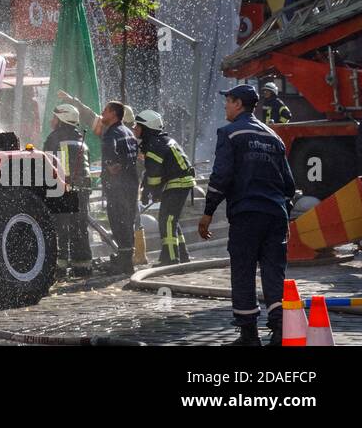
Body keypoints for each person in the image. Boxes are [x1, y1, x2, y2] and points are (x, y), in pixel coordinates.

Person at [198, 84, 297, 346]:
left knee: (243, 271)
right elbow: (288, 184)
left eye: (228, 101)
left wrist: (208, 212)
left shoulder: (230, 133)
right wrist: (284, 214)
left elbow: (221, 176)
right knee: (274, 272)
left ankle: (249, 335)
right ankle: (279, 332)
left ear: (238, 104)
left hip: (247, 214)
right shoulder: (274, 137)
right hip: (275, 215)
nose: (225, 106)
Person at [57, 91, 139, 275]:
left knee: (118, 221)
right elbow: (137, 159)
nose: (102, 112)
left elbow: (112, 160)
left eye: (106, 110)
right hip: (131, 185)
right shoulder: (128, 133)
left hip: (118, 187)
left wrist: (111, 167)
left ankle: (124, 263)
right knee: (127, 222)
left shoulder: (111, 134)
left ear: (114, 114)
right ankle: (126, 259)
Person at [133, 109, 194, 266]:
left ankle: (170, 259)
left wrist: (152, 193)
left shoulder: (154, 145)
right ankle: (182, 254)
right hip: (180, 181)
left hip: (177, 182)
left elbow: (153, 175)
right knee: (171, 219)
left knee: (166, 220)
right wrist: (149, 191)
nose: (135, 129)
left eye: (138, 126)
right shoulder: (158, 141)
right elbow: (151, 172)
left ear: (147, 128)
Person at [44, 102, 93, 278]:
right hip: (82, 191)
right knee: (79, 227)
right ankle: (83, 266)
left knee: (60, 228)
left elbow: (48, 166)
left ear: (61, 119)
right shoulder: (80, 139)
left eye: (54, 117)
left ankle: (59, 267)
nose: (52, 121)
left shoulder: (54, 138)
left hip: (63, 190)